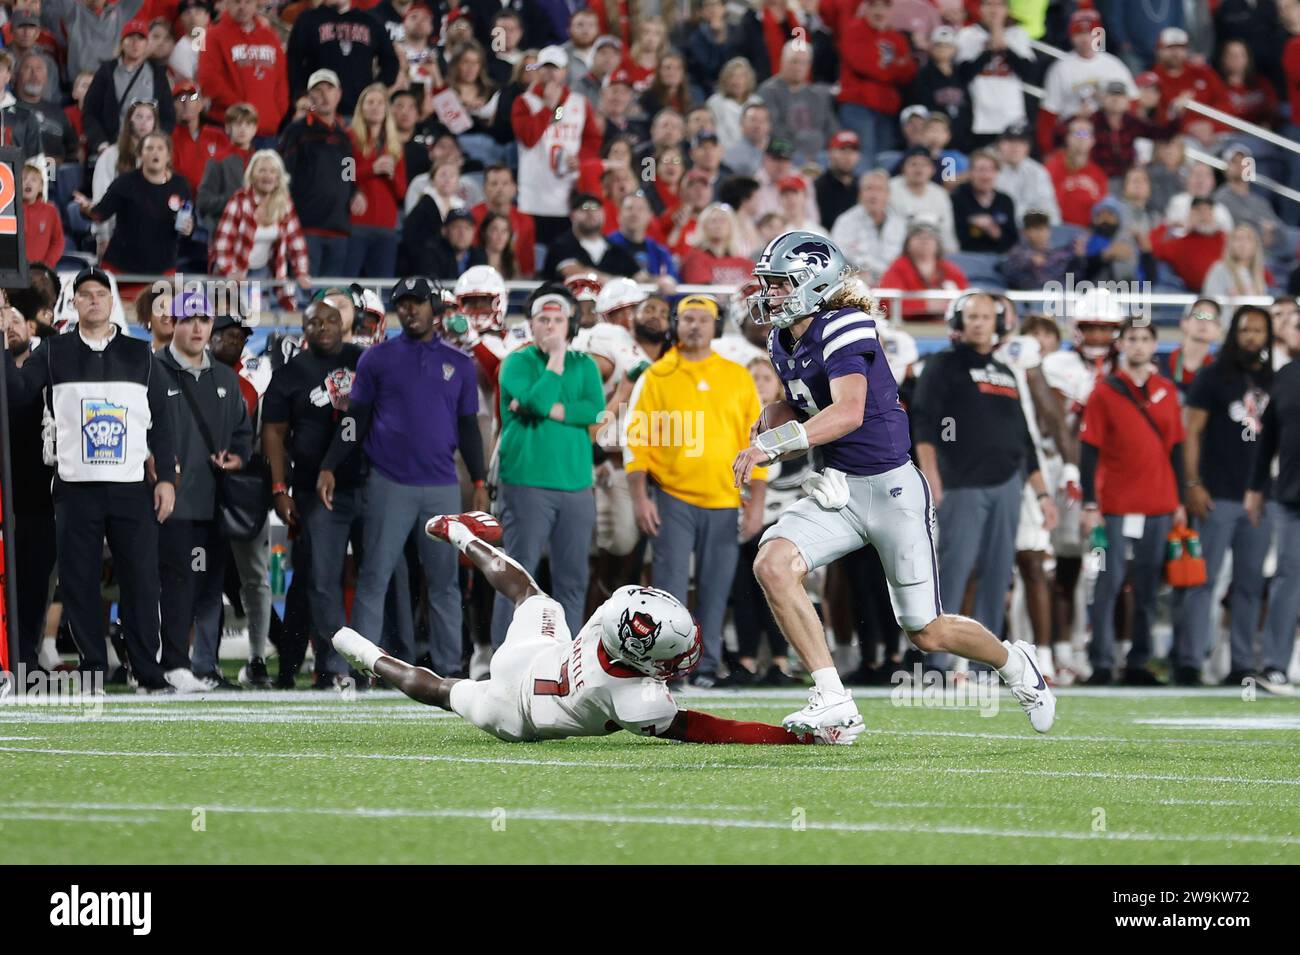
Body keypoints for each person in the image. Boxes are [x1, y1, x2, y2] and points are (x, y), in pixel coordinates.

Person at [732, 232, 1056, 739]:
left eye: (778, 284)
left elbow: (847, 412)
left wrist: (772, 445)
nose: (767, 294)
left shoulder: (847, 323)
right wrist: (777, 414)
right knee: (773, 564)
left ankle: (1015, 664)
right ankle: (833, 698)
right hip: (840, 489)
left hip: (893, 491)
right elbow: (808, 406)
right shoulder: (782, 338)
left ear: (813, 283)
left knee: (928, 631)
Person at [332, 513, 849, 744]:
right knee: (447, 690)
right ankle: (370, 656)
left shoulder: (619, 607)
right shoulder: (635, 701)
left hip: (536, 657)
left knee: (530, 596)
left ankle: (464, 535)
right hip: (519, 715)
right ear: (644, 663)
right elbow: (713, 730)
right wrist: (789, 739)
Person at [4, 267, 175, 693]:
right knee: (79, 583)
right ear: (74, 303)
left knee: (140, 581)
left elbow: (164, 422)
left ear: (111, 301)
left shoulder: (140, 355)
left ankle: (146, 671)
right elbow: (20, 393)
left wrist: (167, 478)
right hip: (74, 489)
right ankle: (93, 670)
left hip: (132, 487)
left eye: (101, 293)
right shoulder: (53, 352)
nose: (94, 300)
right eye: (85, 294)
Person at [319, 277, 486, 673]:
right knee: (374, 576)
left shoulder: (460, 364)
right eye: (403, 303)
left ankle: (448, 671)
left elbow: (467, 429)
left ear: (435, 307)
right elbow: (355, 420)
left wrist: (479, 482)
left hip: (443, 485)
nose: (410, 310)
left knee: (445, 582)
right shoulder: (376, 359)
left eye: (418, 302)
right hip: (388, 482)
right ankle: (364, 669)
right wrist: (329, 464)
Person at [627, 293, 767, 687]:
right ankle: (667, 667)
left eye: (702, 320)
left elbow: (755, 440)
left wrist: (757, 501)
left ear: (715, 327)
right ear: (676, 324)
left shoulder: (737, 375)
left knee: (715, 590)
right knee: (669, 592)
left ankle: (705, 667)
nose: (694, 326)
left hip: (724, 499)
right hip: (672, 497)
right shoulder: (656, 375)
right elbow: (635, 440)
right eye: (687, 318)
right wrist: (640, 497)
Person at [912, 291, 1057, 652]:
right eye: (972, 316)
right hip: (961, 482)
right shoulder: (942, 364)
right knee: (953, 572)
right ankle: (935, 660)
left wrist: (1042, 494)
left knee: (997, 575)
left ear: (999, 324)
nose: (979, 323)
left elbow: (1024, 439)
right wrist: (931, 474)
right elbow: (926, 423)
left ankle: (986, 661)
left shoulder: (1006, 372)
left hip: (1009, 484)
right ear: (959, 322)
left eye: (986, 317)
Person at [491, 285, 604, 648]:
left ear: (570, 324)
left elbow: (594, 411)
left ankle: (564, 664)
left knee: (572, 579)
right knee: (518, 575)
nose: (552, 327)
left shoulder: (586, 364)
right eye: (544, 320)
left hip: (575, 484)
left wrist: (550, 408)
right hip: (526, 482)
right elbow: (539, 401)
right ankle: (503, 659)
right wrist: (555, 362)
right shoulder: (516, 362)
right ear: (531, 324)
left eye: (559, 320)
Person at [152, 295, 253, 691]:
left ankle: (201, 666)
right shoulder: (150, 369)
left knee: (208, 586)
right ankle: (172, 661)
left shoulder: (226, 379)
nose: (197, 328)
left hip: (214, 503)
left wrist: (239, 458)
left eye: (204, 319)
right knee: (174, 583)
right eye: (189, 319)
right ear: (173, 322)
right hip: (168, 501)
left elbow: (244, 434)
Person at [1080, 318, 1186, 685]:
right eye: (1132, 339)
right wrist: (1090, 504)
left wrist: (1180, 500)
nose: (1138, 345)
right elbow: (1088, 450)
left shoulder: (1167, 391)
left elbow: (1177, 448)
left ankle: (1139, 662)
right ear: (1121, 345)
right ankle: (1102, 662)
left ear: (1154, 345)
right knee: (1107, 585)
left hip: (1159, 502)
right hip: (1115, 506)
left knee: (1147, 587)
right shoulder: (1104, 392)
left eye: (1145, 339)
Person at [1174, 306, 1275, 687]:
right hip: (1216, 494)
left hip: (1259, 499)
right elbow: (1192, 432)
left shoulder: (1274, 379)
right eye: (1245, 329)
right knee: (1203, 581)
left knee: (1249, 585)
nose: (1251, 336)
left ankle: (1242, 664)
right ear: (1234, 333)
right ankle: (1188, 661)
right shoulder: (1213, 375)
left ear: (1267, 336)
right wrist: (1192, 483)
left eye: (1258, 331)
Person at [3, 297, 56, 673]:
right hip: (3, 498)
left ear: (32, 328)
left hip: (37, 498)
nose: (9, 326)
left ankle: (26, 658)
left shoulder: (48, 365)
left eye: (15, 319)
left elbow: (19, 394)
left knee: (35, 585)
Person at [1246, 334, 1300, 695]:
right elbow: (1269, 437)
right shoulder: (1289, 374)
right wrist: (1255, 487)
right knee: (1287, 579)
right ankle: (1276, 666)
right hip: (1291, 495)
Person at [511, 45, 602, 247]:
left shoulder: (579, 103)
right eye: (545, 67)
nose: (550, 73)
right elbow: (528, 138)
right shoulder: (524, 102)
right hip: (534, 198)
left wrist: (581, 159)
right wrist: (547, 108)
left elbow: (592, 140)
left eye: (555, 68)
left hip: (568, 197)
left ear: (565, 71)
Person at [74, 131, 193, 279]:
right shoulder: (125, 182)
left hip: (163, 269)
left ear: (168, 156)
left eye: (160, 148)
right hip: (122, 267)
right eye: (149, 148)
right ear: (141, 154)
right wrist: (86, 209)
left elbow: (189, 224)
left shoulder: (180, 185)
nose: (154, 152)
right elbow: (100, 213)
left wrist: (189, 229)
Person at [211, 149, 312, 310]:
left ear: (279, 177)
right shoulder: (239, 200)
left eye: (272, 171)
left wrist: (301, 272)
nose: (268, 176)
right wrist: (230, 272)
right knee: (237, 317)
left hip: (263, 271)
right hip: (234, 270)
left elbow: (296, 242)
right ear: (252, 175)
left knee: (258, 316)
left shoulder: (284, 203)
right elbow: (222, 243)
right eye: (262, 170)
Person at [278, 68, 356, 278]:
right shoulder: (296, 131)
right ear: (310, 96)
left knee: (330, 299)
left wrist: (353, 195)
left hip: (339, 229)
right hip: (306, 227)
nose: (324, 95)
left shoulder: (345, 137)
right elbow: (283, 176)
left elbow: (349, 174)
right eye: (318, 90)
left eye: (329, 89)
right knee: (305, 298)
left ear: (338, 94)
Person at [80, 17, 176, 159]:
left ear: (146, 43)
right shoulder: (106, 72)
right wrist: (102, 144)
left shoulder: (158, 73)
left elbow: (168, 115)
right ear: (122, 43)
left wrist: (158, 143)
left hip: (148, 151)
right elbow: (90, 112)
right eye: (130, 38)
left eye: (140, 38)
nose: (135, 43)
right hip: (114, 148)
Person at [286, 0, 398, 115]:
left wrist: (377, 87)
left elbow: (391, 62)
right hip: (319, 110)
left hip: (359, 113)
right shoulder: (308, 19)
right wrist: (300, 95)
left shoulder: (371, 21)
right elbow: (294, 62)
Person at [198, 0, 289, 139]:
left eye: (247, 2)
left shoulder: (270, 36)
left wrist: (277, 112)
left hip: (267, 129)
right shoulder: (212, 36)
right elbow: (209, 81)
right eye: (237, 2)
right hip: (230, 128)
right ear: (227, 4)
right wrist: (242, 110)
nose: (242, 7)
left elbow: (281, 79)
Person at [345, 82, 408, 278]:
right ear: (361, 108)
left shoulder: (395, 145)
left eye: (380, 102)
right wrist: (372, 168)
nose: (375, 107)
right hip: (356, 224)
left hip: (386, 227)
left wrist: (391, 176)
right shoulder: (349, 138)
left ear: (386, 109)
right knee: (347, 284)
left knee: (382, 290)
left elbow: (401, 192)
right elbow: (344, 176)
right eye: (370, 102)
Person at [878, 220, 968, 320]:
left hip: (942, 327)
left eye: (929, 237)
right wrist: (927, 305)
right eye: (918, 237)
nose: (924, 240)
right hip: (907, 326)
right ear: (908, 244)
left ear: (938, 244)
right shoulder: (897, 267)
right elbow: (888, 302)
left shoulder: (949, 269)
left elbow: (965, 300)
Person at [831, 169, 906, 283]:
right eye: (869, 188)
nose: (873, 195)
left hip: (894, 283)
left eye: (879, 189)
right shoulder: (845, 221)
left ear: (888, 194)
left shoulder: (900, 223)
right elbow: (838, 257)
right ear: (860, 194)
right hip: (857, 285)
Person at [196, 102, 258, 235]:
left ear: (255, 129)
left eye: (248, 124)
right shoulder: (217, 161)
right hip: (225, 229)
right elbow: (203, 201)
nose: (243, 129)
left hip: (257, 231)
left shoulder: (262, 162)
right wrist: (233, 200)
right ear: (228, 128)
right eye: (237, 123)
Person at [951, 150, 1018, 253]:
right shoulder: (958, 198)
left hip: (1000, 259)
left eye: (990, 170)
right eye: (980, 170)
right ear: (970, 173)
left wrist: (993, 230)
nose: (985, 175)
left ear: (997, 173)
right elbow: (954, 237)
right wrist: (971, 222)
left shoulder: (1005, 200)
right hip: (967, 258)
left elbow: (1013, 240)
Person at [995, 123, 1060, 226]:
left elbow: (1049, 212)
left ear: (1028, 147)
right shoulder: (989, 170)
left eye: (1020, 142)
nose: (1014, 147)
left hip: (1031, 230)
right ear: (999, 145)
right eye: (1009, 141)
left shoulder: (1038, 172)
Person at [1202, 223, 1272, 299]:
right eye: (1238, 239)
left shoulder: (1259, 272)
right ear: (1230, 244)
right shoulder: (1219, 269)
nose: (1243, 244)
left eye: (1248, 239)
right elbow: (1208, 302)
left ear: (1255, 245)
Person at [21, 160, 64, 268]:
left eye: (33, 180)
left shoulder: (50, 211)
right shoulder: (9, 210)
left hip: (40, 272)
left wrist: (46, 265)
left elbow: (58, 241)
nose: (28, 182)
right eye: (23, 179)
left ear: (41, 187)